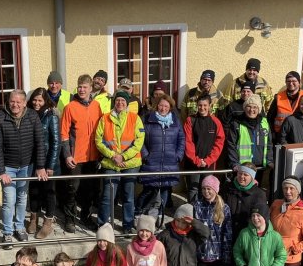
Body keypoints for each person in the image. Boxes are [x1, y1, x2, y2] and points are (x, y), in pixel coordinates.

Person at [0, 89, 48, 244]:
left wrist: (40, 166)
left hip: (26, 165)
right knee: (9, 200)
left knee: (22, 198)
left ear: (24, 103)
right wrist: (1, 171)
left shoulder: (32, 116)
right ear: (8, 102)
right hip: (8, 167)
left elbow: (39, 142)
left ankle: (20, 227)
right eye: (12, 101)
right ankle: (7, 231)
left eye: (18, 102)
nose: (15, 105)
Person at [221, 162, 267, 266]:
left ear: (252, 177)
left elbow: (261, 219)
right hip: (229, 239)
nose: (241, 177)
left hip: (247, 242)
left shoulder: (259, 194)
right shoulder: (229, 189)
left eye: (245, 175)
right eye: (240, 174)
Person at [95, 90, 145, 233]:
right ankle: (102, 225)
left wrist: (123, 157)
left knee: (128, 196)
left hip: (130, 163)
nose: (120, 103)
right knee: (107, 195)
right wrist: (113, 156)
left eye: (123, 101)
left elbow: (139, 142)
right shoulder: (105, 118)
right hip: (110, 163)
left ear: (127, 103)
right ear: (114, 102)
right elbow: (98, 141)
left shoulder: (135, 118)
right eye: (118, 100)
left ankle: (127, 226)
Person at [60, 74, 103, 233]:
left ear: (91, 88)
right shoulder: (70, 107)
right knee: (73, 188)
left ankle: (86, 216)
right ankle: (70, 219)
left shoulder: (97, 106)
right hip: (75, 157)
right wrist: (67, 155)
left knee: (90, 189)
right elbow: (63, 134)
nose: (82, 89)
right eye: (80, 86)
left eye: (85, 87)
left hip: (93, 156)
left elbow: (101, 130)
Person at [137, 94, 185, 224]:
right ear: (156, 105)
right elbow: (140, 139)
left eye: (166, 106)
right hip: (151, 161)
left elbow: (181, 139)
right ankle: (138, 212)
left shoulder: (175, 120)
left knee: (164, 190)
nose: (163, 108)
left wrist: (178, 155)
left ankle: (158, 215)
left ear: (170, 108)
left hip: (170, 161)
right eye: (161, 105)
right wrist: (145, 154)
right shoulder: (147, 119)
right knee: (148, 190)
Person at [27, 88, 60, 239]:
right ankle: (33, 218)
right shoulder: (28, 113)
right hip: (32, 161)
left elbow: (55, 142)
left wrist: (50, 166)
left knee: (49, 191)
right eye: (34, 99)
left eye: (40, 100)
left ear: (46, 101)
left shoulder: (51, 116)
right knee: (33, 190)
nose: (37, 103)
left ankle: (48, 222)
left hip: (47, 161)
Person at [183, 94, 225, 203]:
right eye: (200, 105)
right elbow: (188, 141)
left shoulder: (216, 122)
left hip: (209, 164)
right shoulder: (190, 120)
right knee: (193, 189)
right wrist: (196, 160)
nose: (202, 108)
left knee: (208, 189)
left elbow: (219, 143)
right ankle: (192, 214)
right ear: (197, 105)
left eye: (205, 105)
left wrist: (208, 160)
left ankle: (205, 212)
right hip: (192, 163)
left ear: (210, 106)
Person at [224, 94, 272, 179]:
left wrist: (269, 160)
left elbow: (269, 144)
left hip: (259, 166)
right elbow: (231, 145)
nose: (251, 110)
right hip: (241, 167)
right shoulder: (236, 123)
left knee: (256, 189)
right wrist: (234, 163)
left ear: (259, 109)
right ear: (244, 108)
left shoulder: (264, 123)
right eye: (248, 106)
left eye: (255, 107)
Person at [268, 71, 303, 144]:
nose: (291, 83)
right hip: (280, 136)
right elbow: (270, 117)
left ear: (299, 82)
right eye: (288, 81)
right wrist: (272, 134)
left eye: (294, 81)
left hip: (299, 136)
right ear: (285, 83)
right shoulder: (278, 97)